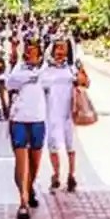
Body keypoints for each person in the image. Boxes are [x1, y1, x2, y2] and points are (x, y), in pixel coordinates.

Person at [40, 38, 89, 193]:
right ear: (52, 50)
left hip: (69, 113)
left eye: (64, 48)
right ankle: (56, 175)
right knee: (53, 145)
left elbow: (85, 83)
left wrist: (81, 72)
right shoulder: (46, 69)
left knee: (71, 145)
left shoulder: (71, 68)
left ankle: (71, 176)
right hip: (52, 113)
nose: (61, 51)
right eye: (58, 48)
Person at [7, 38, 46, 219]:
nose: (31, 54)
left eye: (34, 52)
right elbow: (10, 83)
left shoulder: (46, 70)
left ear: (40, 54)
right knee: (21, 161)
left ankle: (29, 188)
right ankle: (22, 201)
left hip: (38, 119)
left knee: (35, 162)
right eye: (28, 51)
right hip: (19, 119)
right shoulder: (19, 69)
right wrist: (27, 76)